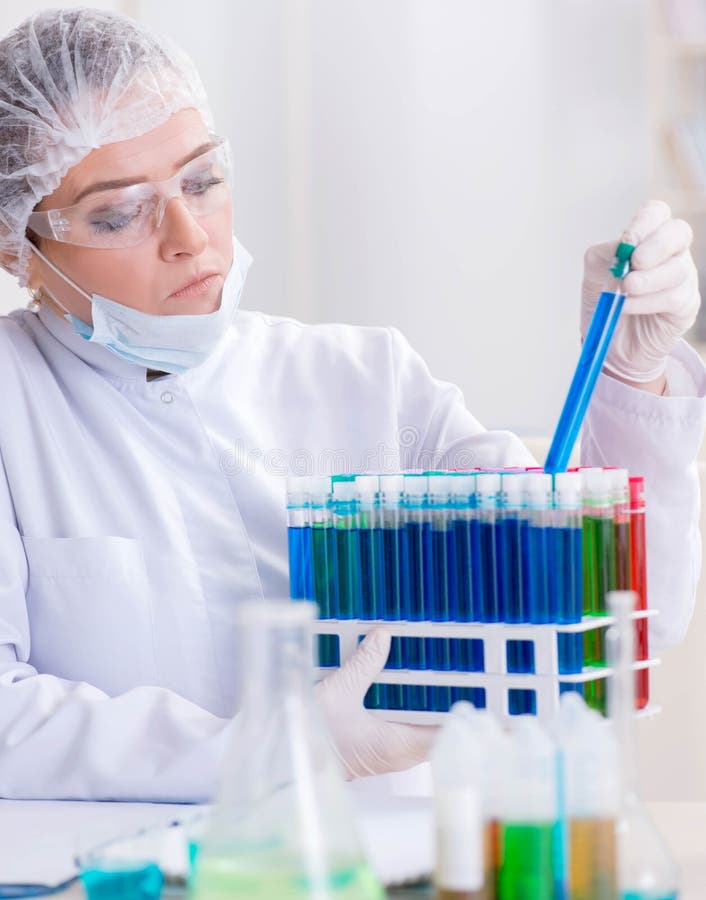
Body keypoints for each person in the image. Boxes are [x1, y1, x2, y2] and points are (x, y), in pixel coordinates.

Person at [0, 8, 702, 802]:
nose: (189, 236)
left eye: (202, 179)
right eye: (119, 213)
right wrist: (273, 749)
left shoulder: (368, 379)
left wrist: (631, 379)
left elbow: (607, 618)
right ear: (15, 246)